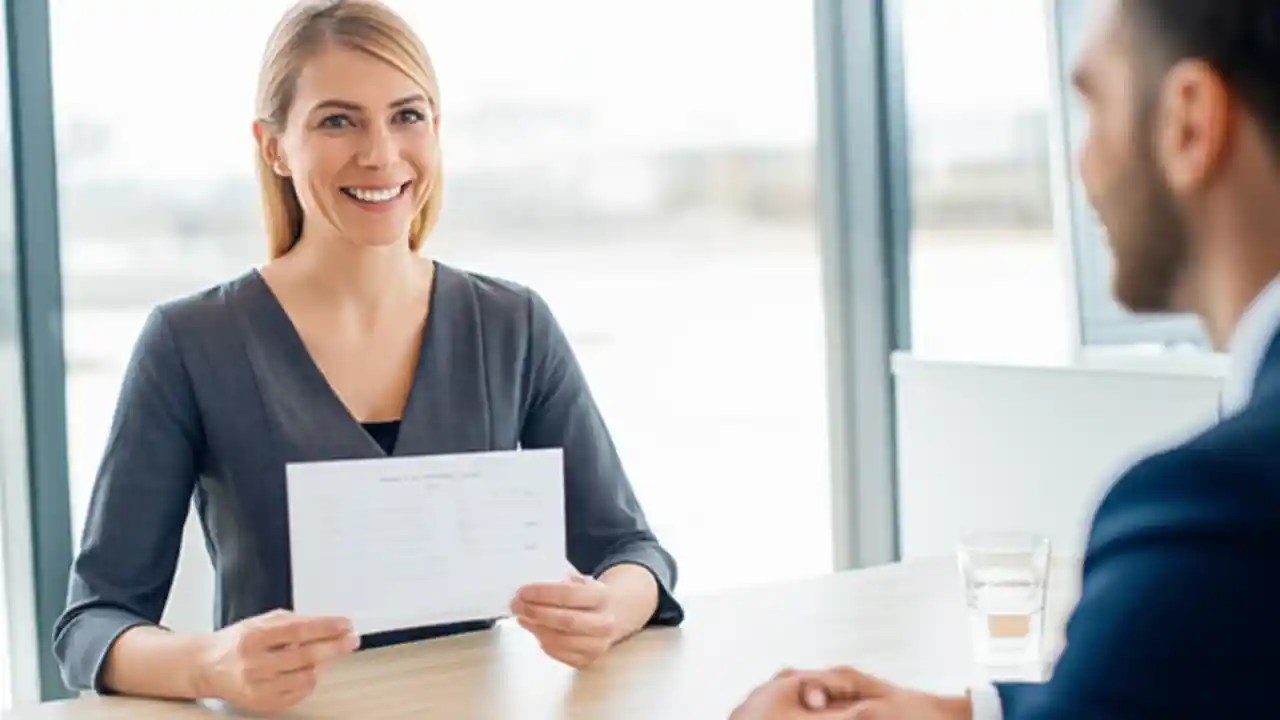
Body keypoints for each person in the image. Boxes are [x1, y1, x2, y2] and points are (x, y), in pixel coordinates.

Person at [52, 0, 682, 713]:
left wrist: (612, 608)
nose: (380, 153)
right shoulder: (191, 342)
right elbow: (93, 623)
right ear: (274, 147)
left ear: (436, 131)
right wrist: (209, 662)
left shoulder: (513, 325)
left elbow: (631, 552)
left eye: (407, 116)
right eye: (337, 120)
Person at [732, 0, 1280, 718]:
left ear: (1189, 121)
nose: (1085, 167)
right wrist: (965, 712)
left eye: (1096, 107)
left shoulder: (1217, 510)